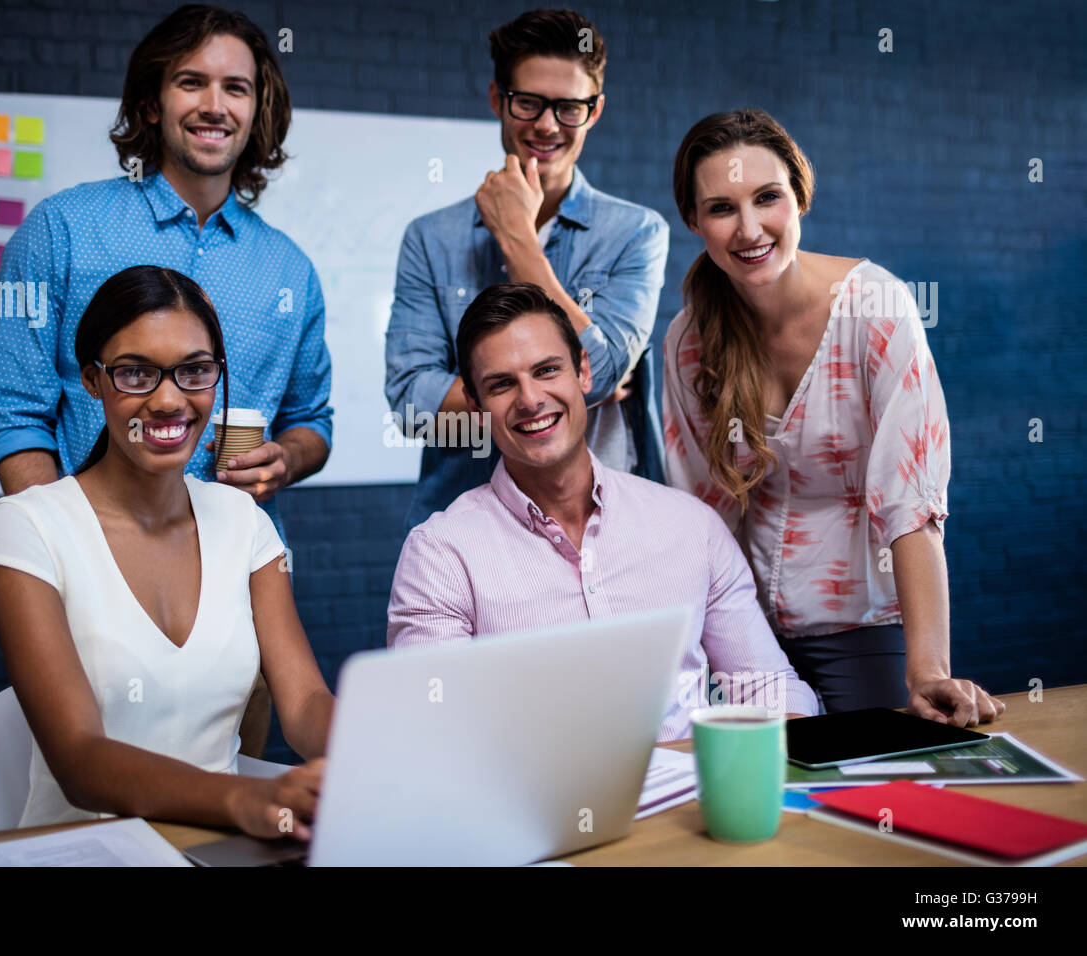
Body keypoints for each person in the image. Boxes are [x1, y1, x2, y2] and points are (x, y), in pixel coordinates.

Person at [0, 5, 331, 753]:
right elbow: (12, 412)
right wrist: (71, 553)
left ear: (258, 108)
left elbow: (313, 422)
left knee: (236, 800)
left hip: (238, 593)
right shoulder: (62, 230)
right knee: (100, 791)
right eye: (190, 82)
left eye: (236, 87)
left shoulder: (289, 269)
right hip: (89, 595)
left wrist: (288, 456)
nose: (214, 105)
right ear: (151, 101)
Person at [661, 108, 1003, 727]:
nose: (748, 228)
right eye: (720, 208)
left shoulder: (876, 308)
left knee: (873, 798)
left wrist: (927, 671)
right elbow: (703, 516)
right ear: (693, 221)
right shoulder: (688, 341)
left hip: (861, 623)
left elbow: (912, 504)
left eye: (767, 198)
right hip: (745, 633)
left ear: (800, 197)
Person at [0, 266, 334, 839]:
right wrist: (244, 797)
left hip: (221, 852)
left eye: (194, 371)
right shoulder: (26, 528)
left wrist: (373, 751)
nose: (169, 400)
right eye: (136, 373)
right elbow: (80, 759)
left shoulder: (244, 521)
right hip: (85, 853)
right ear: (93, 381)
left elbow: (305, 702)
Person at [387, 283, 817, 741]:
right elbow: (434, 731)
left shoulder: (692, 527)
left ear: (584, 373)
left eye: (547, 370)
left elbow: (765, 687)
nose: (530, 399)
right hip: (537, 806)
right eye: (501, 384)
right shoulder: (439, 553)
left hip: (689, 802)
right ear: (475, 406)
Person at [384, 8, 670, 533]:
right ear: (498, 99)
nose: (546, 124)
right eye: (529, 103)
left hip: (611, 526)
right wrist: (567, 384)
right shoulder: (431, 238)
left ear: (595, 110)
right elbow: (410, 402)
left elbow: (599, 372)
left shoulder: (637, 232)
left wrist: (519, 241)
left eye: (569, 108)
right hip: (467, 522)